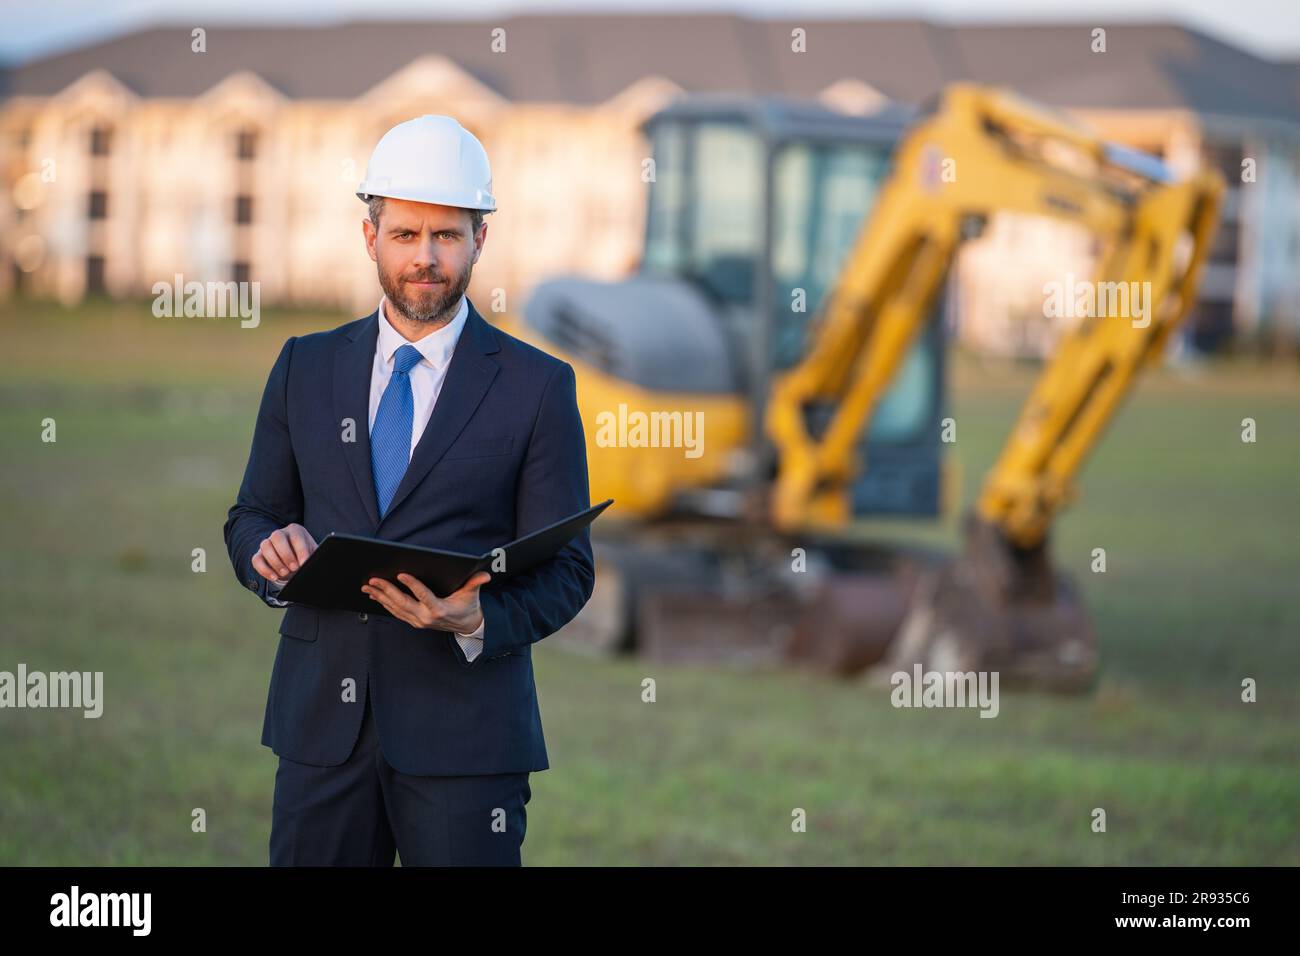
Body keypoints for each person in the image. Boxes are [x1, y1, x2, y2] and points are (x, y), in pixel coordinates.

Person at [222, 115, 595, 866]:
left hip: (468, 742)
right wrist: (267, 551)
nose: (425, 259)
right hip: (321, 733)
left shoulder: (538, 387)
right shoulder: (305, 366)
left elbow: (570, 569)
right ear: (371, 237)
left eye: (447, 236)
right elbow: (251, 516)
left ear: (479, 240)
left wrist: (479, 616)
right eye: (405, 235)